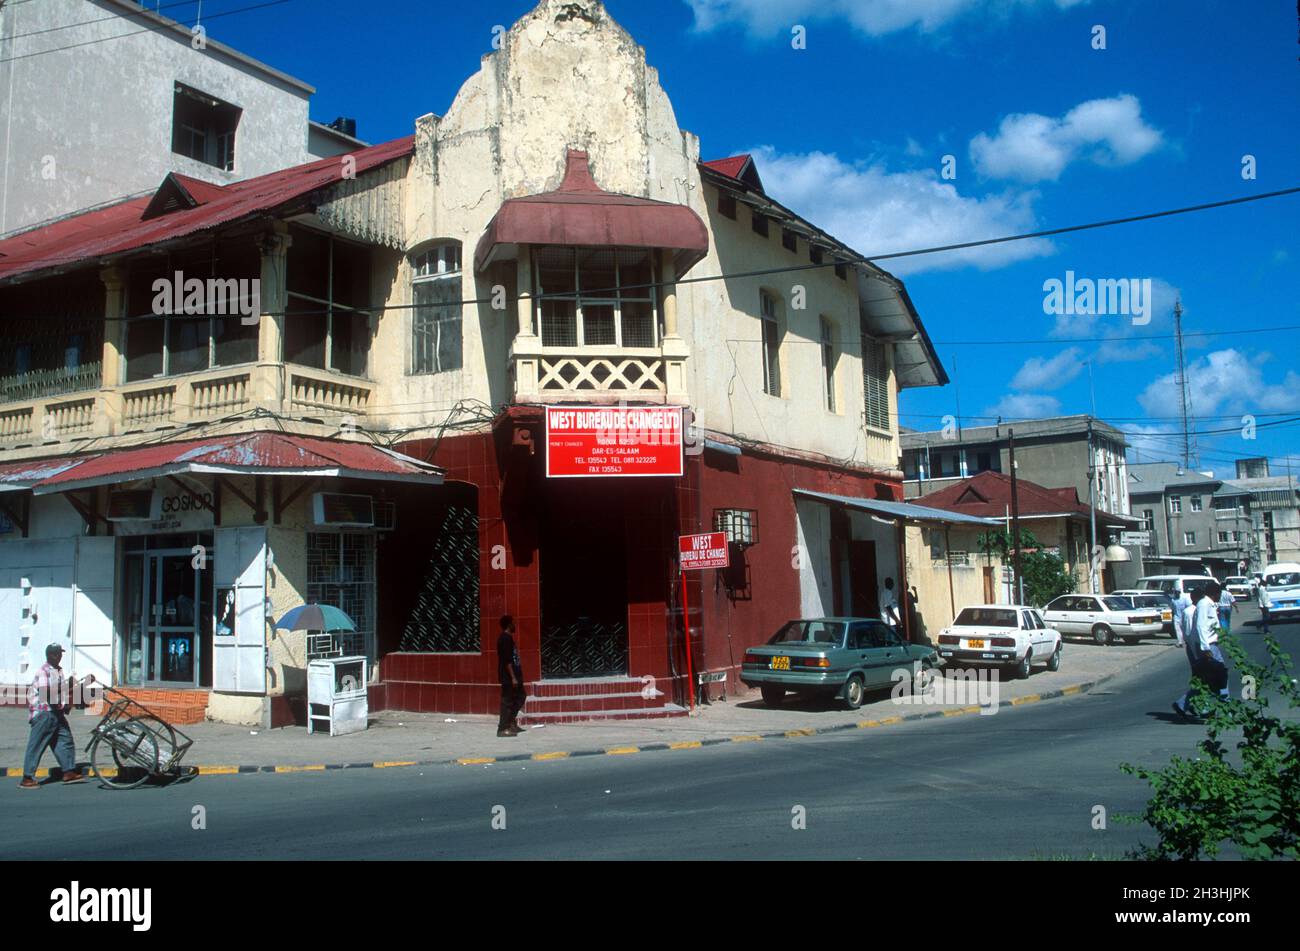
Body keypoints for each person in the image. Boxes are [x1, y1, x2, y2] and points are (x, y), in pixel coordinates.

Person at [19, 644, 94, 789]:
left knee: (65, 740)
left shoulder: (58, 671)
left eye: (61, 654)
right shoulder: (43, 671)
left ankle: (68, 772)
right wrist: (69, 687)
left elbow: (61, 693)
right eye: (58, 654)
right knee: (37, 745)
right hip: (44, 713)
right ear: (52, 655)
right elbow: (46, 693)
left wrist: (70, 700)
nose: (60, 656)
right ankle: (27, 778)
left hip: (56, 713)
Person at [1171, 591, 1204, 720]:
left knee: (1201, 679)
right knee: (1204, 679)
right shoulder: (1192, 611)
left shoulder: (1193, 610)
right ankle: (1184, 704)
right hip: (1196, 649)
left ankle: (1192, 704)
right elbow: (1190, 634)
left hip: (1195, 649)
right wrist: (1197, 654)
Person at [496, 616, 527, 737]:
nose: (515, 625)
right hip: (508, 677)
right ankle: (502, 728)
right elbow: (507, 660)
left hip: (514, 676)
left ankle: (510, 722)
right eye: (513, 623)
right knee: (507, 701)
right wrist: (513, 677)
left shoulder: (509, 638)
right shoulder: (504, 639)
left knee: (521, 696)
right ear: (509, 625)